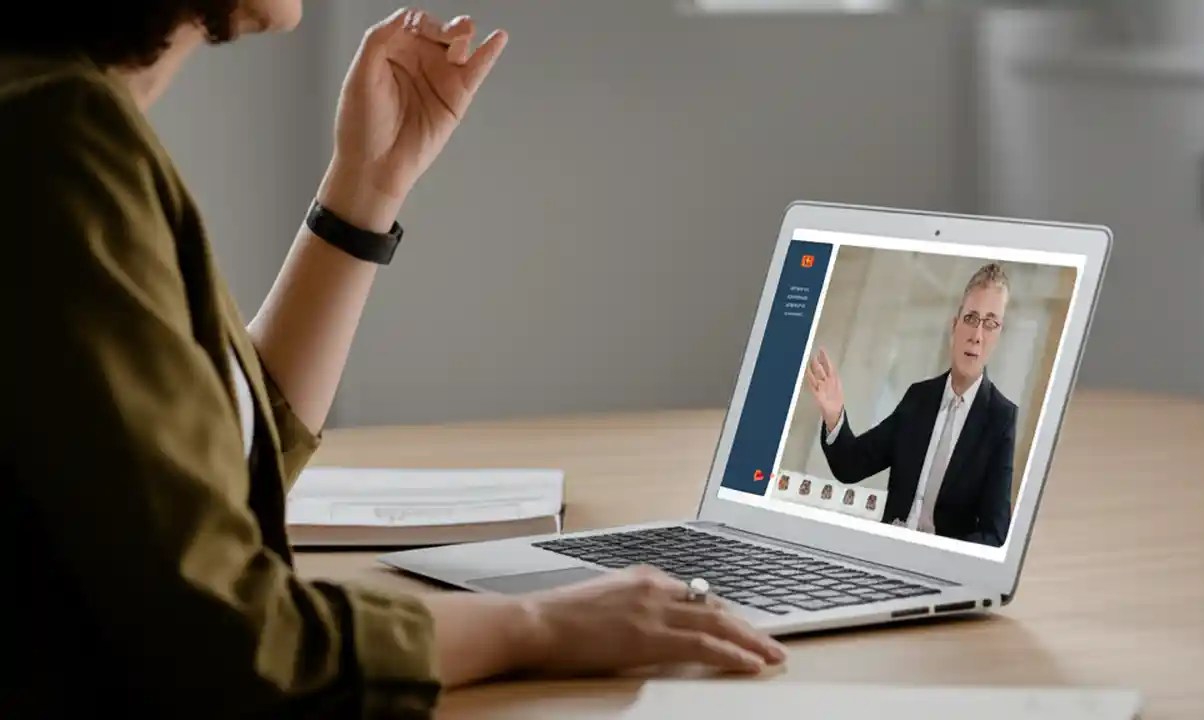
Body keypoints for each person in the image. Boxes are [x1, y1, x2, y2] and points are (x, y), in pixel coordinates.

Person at [3, 3, 785, 717]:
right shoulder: (55, 138)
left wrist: (367, 188)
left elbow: (211, 468)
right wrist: (536, 624)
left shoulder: (56, 112)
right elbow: (233, 640)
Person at [804, 263, 1018, 547]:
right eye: (971, 318)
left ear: (998, 335)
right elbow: (850, 465)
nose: (977, 335)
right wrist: (834, 416)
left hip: (939, 568)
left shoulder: (1001, 418)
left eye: (990, 323)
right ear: (955, 327)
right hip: (885, 552)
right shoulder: (919, 398)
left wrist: (939, 561)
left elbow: (994, 535)